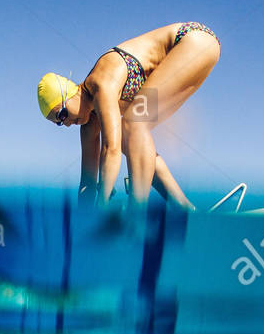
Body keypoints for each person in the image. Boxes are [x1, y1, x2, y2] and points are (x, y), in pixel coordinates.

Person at [37, 21, 220, 212]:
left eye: (62, 114)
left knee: (133, 125)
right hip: (200, 49)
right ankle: (185, 210)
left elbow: (111, 149)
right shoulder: (89, 125)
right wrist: (84, 222)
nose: (65, 123)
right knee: (131, 135)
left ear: (71, 93)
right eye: (59, 123)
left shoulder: (100, 83)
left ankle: (136, 214)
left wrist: (103, 205)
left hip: (192, 39)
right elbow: (87, 183)